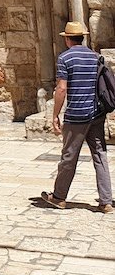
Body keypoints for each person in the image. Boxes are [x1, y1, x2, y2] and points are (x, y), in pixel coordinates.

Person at [41, 20, 113, 214]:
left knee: (69, 157)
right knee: (100, 155)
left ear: (67, 40)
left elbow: (61, 88)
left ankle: (59, 197)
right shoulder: (95, 57)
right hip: (96, 114)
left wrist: (55, 115)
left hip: (77, 115)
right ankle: (106, 202)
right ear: (83, 38)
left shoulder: (65, 58)